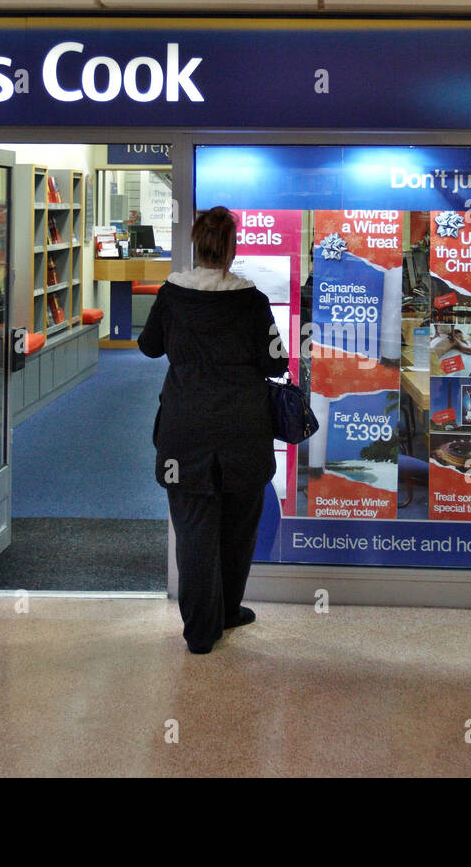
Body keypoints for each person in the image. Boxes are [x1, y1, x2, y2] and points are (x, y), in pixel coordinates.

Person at [139, 206, 288, 654]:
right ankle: (226, 611)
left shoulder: (171, 295)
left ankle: (201, 631)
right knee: (238, 528)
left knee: (194, 529)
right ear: (231, 249)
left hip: (185, 430)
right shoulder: (252, 301)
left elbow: (149, 347)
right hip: (244, 428)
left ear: (195, 246)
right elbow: (276, 362)